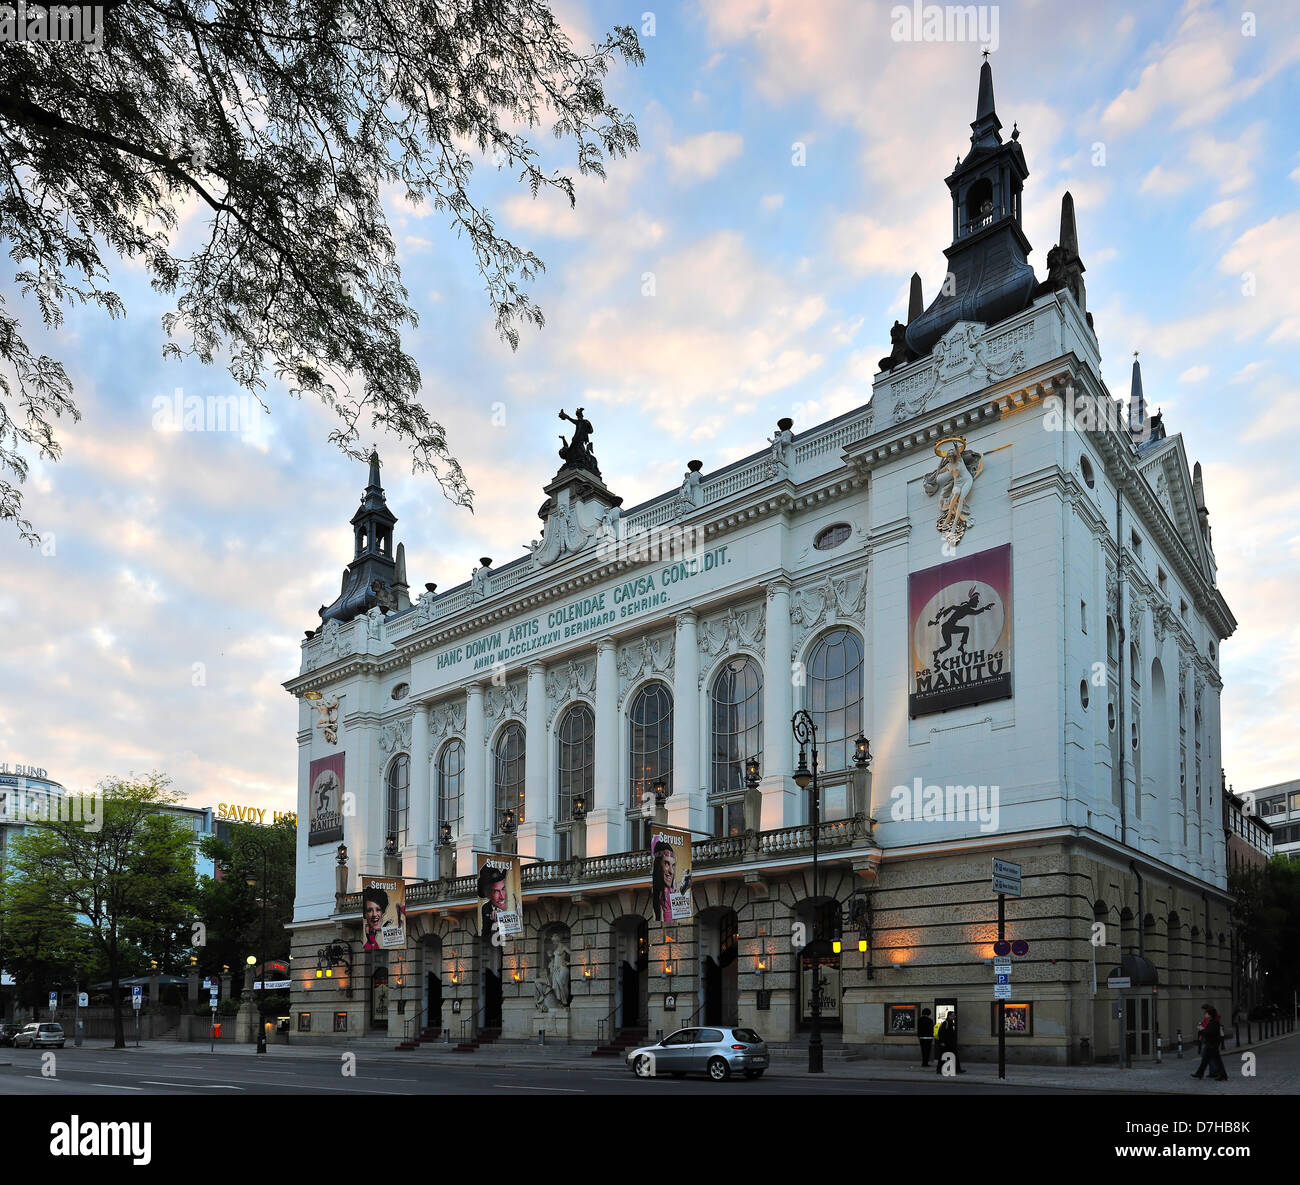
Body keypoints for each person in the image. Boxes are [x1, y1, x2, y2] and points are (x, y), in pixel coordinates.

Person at [1191, 1005, 1229, 1081]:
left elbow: (1209, 1032)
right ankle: (1200, 1073)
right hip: (1212, 1043)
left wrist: (1201, 1029)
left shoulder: (1214, 1022)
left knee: (1215, 1061)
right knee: (1206, 1060)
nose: (1205, 1015)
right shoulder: (1213, 1021)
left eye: (1206, 1013)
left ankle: (1222, 1075)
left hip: (1212, 1044)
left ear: (1210, 1014)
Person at [478, 864, 509, 936]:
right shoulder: (486, 908)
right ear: (487, 894)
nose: (502, 897)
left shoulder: (514, 903)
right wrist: (492, 921)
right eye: (496, 891)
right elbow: (485, 934)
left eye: (503, 888)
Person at [651, 837, 677, 922]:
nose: (671, 871)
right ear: (658, 866)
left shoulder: (674, 890)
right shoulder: (656, 893)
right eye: (666, 864)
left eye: (673, 865)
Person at [362, 885, 387, 951]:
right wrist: (371, 943)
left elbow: (382, 929)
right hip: (370, 944)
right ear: (365, 913)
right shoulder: (367, 927)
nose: (374, 914)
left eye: (378, 909)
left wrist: (387, 922)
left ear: (383, 911)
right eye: (369, 910)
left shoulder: (375, 928)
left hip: (374, 944)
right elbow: (367, 935)